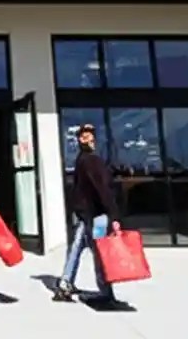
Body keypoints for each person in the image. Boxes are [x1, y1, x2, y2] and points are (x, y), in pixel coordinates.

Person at [53, 123, 122, 307]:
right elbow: (102, 190)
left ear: (93, 139)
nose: (86, 139)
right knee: (98, 252)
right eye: (83, 136)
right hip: (94, 216)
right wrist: (113, 216)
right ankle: (104, 291)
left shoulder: (85, 159)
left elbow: (99, 189)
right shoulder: (90, 160)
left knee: (79, 248)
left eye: (89, 135)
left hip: (90, 215)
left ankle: (66, 284)